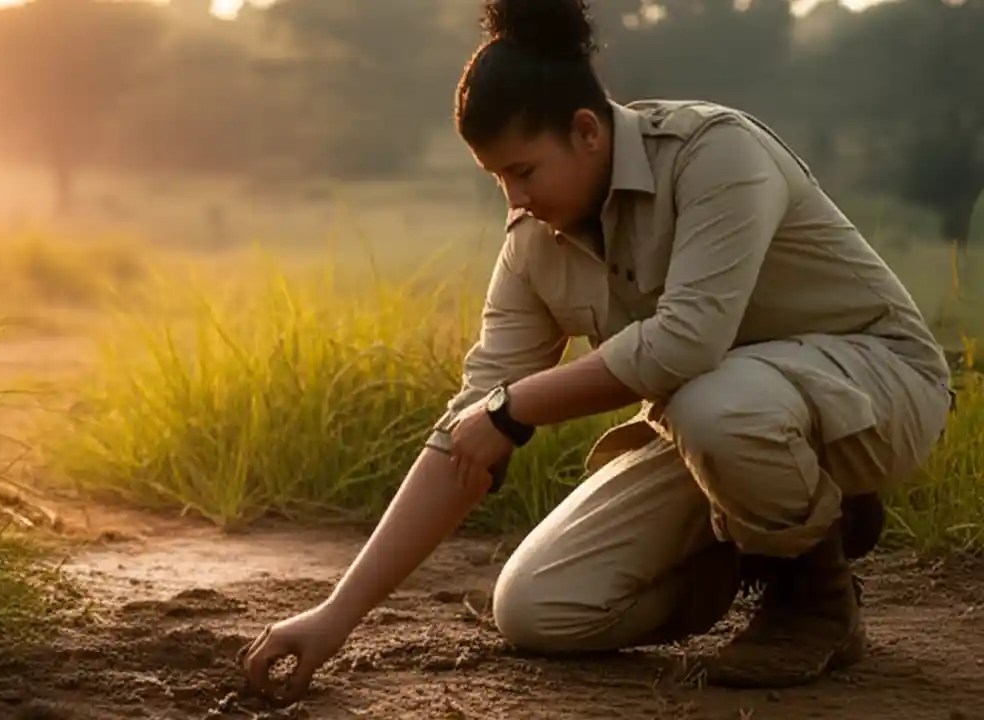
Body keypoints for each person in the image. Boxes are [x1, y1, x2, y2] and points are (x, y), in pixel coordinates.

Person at [240, 0, 955, 702]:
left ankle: (816, 600)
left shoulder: (716, 153)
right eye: (496, 179)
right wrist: (335, 617)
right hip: (727, 429)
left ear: (586, 131)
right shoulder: (532, 247)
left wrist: (514, 407)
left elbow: (685, 342)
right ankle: (775, 525)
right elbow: (466, 429)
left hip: (878, 392)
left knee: (713, 404)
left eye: (523, 172)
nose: (512, 200)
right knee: (536, 609)